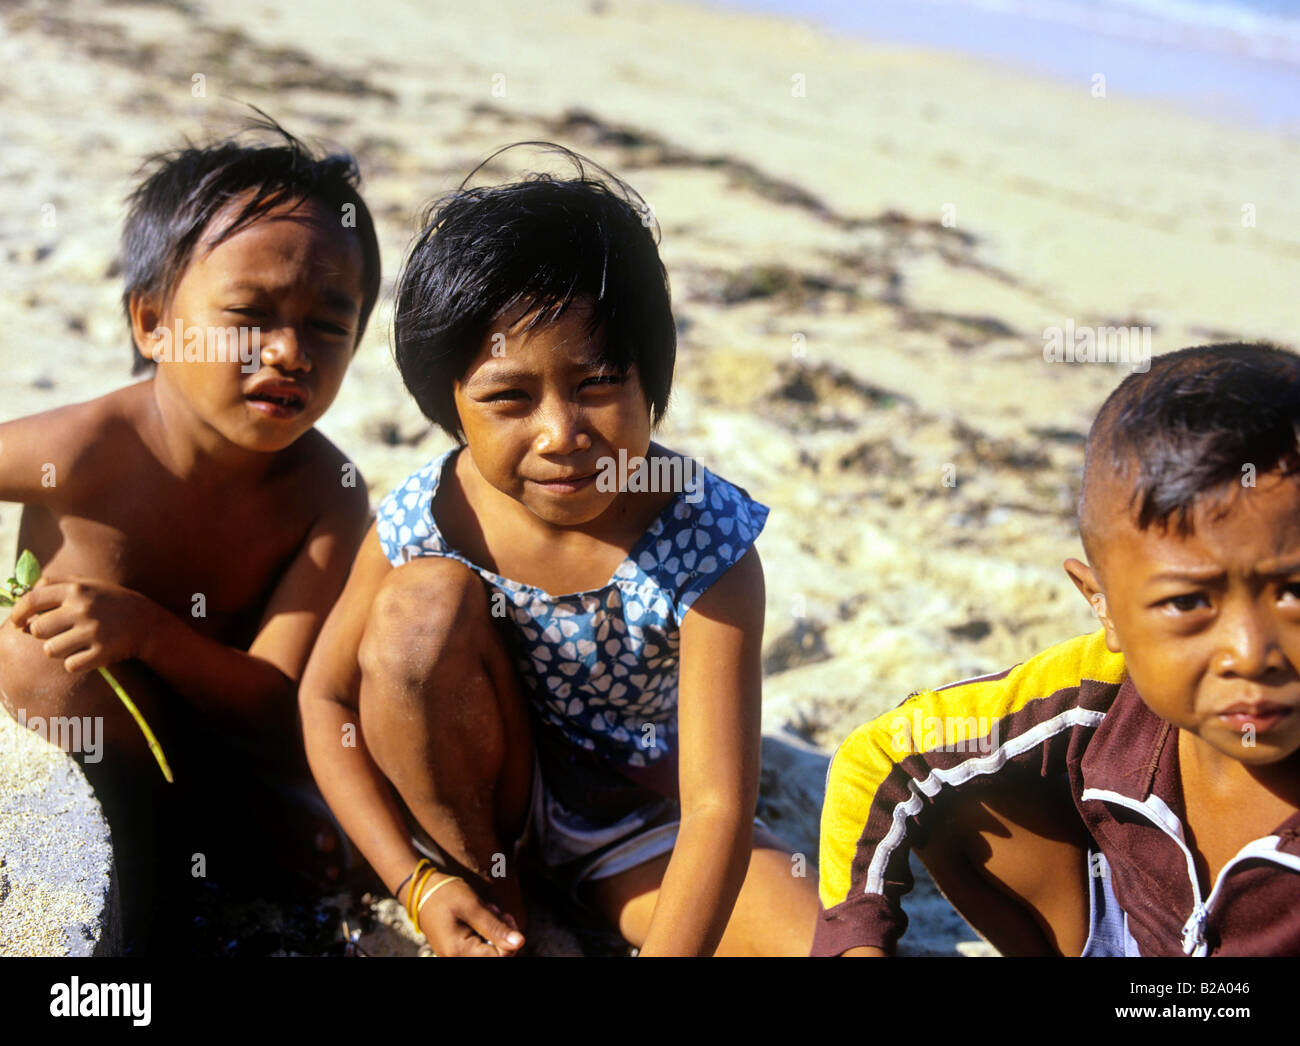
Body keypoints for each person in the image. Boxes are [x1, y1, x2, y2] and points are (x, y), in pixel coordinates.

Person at [300, 146, 818, 956]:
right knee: (414, 618)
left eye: (597, 384)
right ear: (451, 405)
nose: (561, 434)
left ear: (652, 377)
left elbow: (717, 806)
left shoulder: (703, 540)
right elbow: (324, 701)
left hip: (642, 823)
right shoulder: (425, 520)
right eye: (510, 396)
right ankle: (498, 895)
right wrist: (417, 880)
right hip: (472, 808)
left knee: (828, 941)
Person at [0, 119, 380, 950]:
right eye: (250, 314)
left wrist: (147, 629)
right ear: (152, 324)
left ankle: (206, 845)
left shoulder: (329, 495)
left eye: (327, 326)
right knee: (37, 659)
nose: (288, 352)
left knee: (326, 834)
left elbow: (279, 707)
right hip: (89, 741)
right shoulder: (88, 450)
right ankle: (146, 887)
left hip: (224, 756)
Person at [815, 341, 1300, 957]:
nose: (1249, 652)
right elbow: (884, 752)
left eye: (1294, 591)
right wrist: (856, 943)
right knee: (962, 793)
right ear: (1104, 605)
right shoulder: (1098, 689)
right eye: (1187, 602)